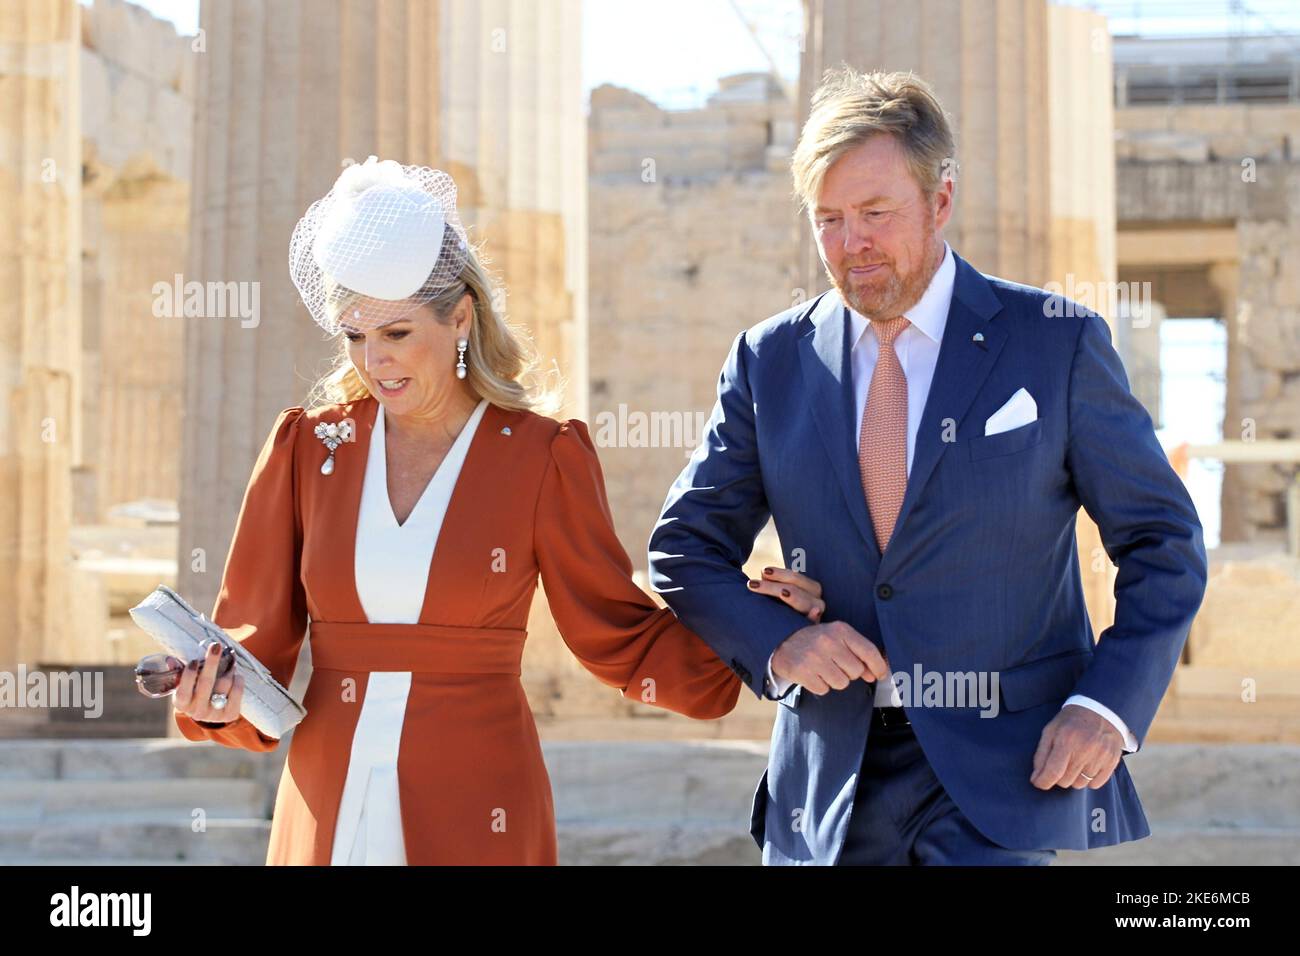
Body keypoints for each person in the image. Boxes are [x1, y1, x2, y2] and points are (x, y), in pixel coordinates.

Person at [170, 156, 825, 865]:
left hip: (479, 800)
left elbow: (615, 634)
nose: (374, 361)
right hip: (327, 794)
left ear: (459, 319)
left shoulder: (542, 456)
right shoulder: (306, 446)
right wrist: (213, 695)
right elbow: (252, 646)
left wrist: (757, 631)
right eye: (355, 337)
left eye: (396, 333)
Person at [647, 69, 1209, 865]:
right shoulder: (769, 359)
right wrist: (780, 642)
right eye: (830, 220)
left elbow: (1164, 540)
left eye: (876, 214)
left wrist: (1107, 707)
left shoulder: (1055, 342)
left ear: (941, 201)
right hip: (828, 786)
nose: (852, 245)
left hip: (1006, 778)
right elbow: (683, 546)